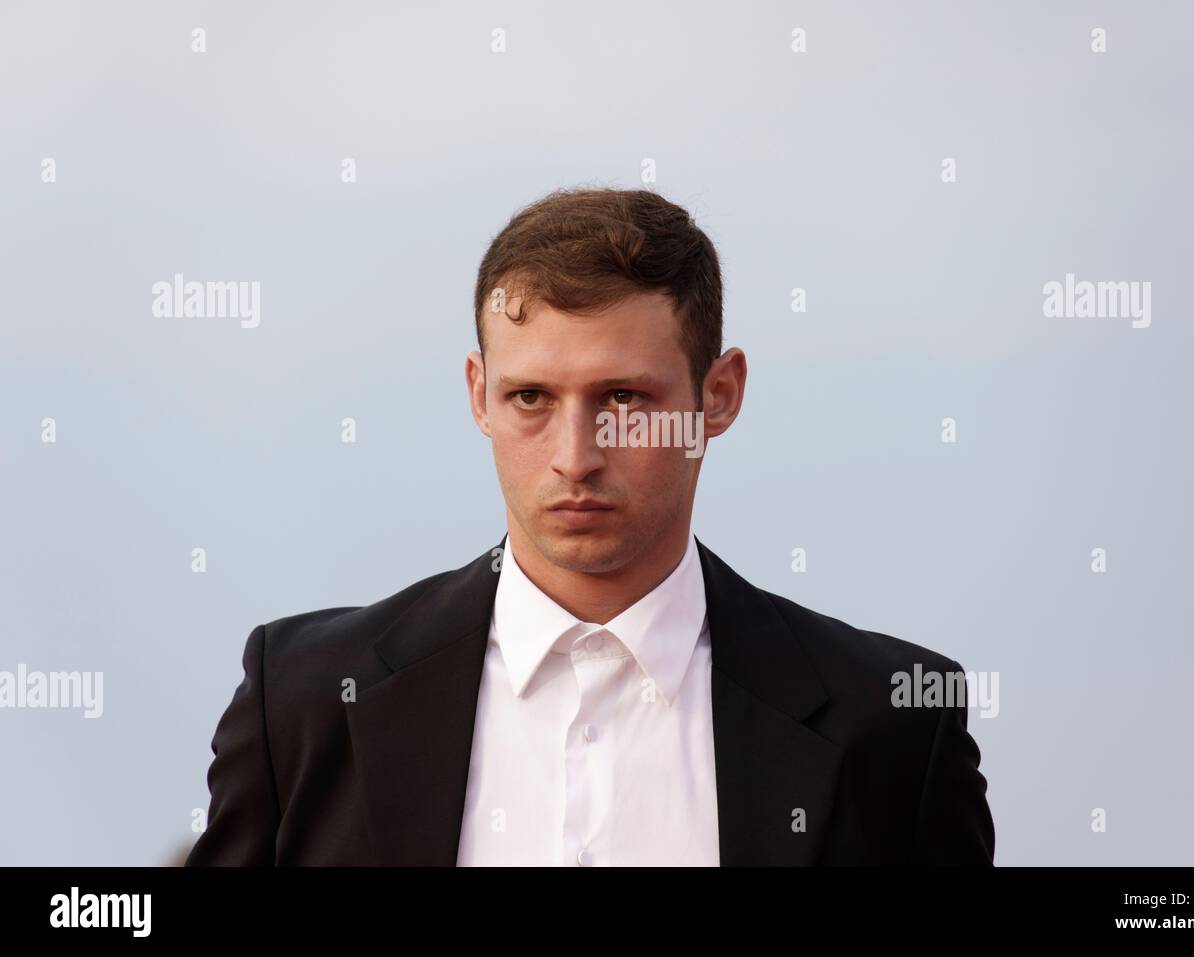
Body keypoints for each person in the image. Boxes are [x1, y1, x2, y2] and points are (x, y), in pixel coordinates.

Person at [186, 186, 994, 866]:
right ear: (479, 393)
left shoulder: (895, 724)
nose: (576, 455)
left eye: (622, 399)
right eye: (531, 397)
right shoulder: (301, 703)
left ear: (718, 396)